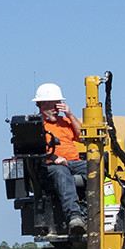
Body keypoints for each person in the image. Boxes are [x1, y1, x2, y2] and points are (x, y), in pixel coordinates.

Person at [34, 82, 90, 236]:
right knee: (61, 171)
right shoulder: (36, 124)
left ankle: (89, 213)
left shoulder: (65, 122)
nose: (57, 109)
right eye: (55, 105)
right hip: (53, 165)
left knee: (94, 168)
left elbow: (83, 138)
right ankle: (75, 217)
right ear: (43, 104)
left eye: (60, 104)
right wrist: (54, 157)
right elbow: (34, 149)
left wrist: (70, 115)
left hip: (74, 163)